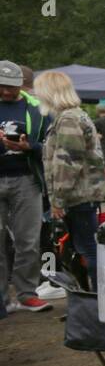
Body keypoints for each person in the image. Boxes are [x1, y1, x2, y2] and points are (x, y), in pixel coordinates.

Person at [32, 72, 105, 288]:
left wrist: (58, 199)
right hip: (81, 195)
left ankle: (98, 301)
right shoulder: (73, 115)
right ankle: (94, 299)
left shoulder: (68, 119)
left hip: (77, 196)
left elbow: (67, 162)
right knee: (86, 249)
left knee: (88, 250)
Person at [0, 58, 52, 313]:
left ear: (21, 84)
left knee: (28, 240)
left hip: (26, 179)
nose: (7, 91)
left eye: (12, 86)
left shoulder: (37, 108)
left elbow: (51, 145)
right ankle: (2, 300)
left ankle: (27, 293)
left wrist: (28, 146)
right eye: (2, 86)